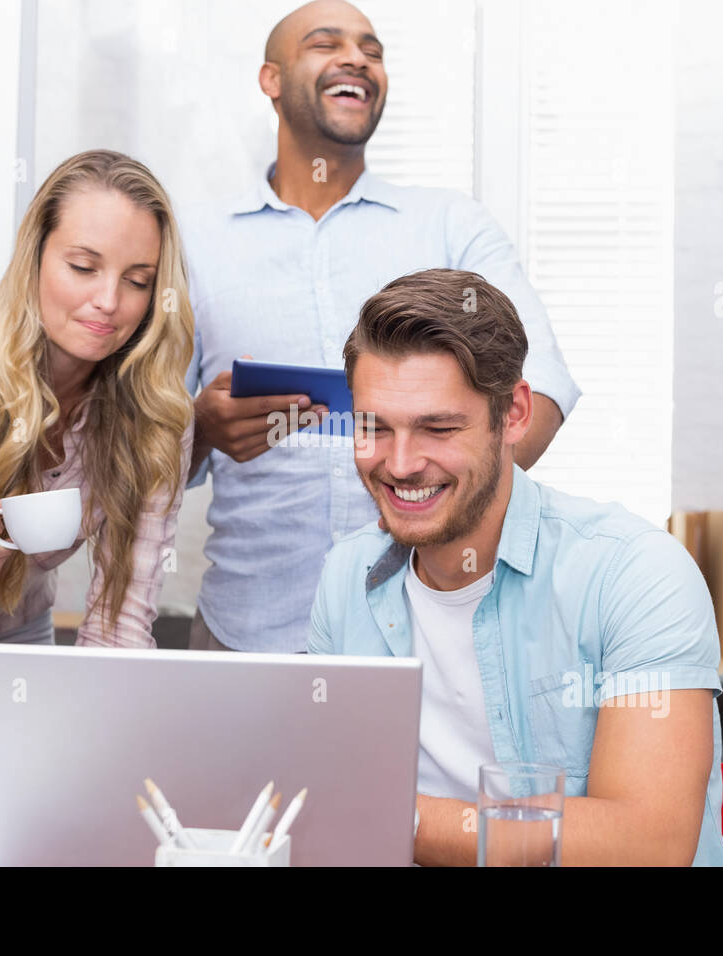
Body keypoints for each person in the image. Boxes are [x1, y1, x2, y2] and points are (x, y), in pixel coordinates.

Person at [182, 0, 579, 652]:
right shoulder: (195, 244)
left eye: (372, 48)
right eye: (325, 43)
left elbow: (544, 385)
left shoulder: (449, 226)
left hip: (431, 633)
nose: (356, 58)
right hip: (246, 630)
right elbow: (136, 434)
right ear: (271, 79)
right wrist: (198, 432)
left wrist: (440, 492)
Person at [309, 270, 723, 866]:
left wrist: (387, 814)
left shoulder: (636, 574)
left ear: (513, 414)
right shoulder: (346, 578)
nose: (401, 464)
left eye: (438, 428)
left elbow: (648, 845)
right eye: (374, 427)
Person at [0, 150, 194, 646]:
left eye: (138, 281)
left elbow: (121, 623)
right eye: (83, 266)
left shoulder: (157, 415)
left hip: (15, 632)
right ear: (36, 257)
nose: (109, 301)